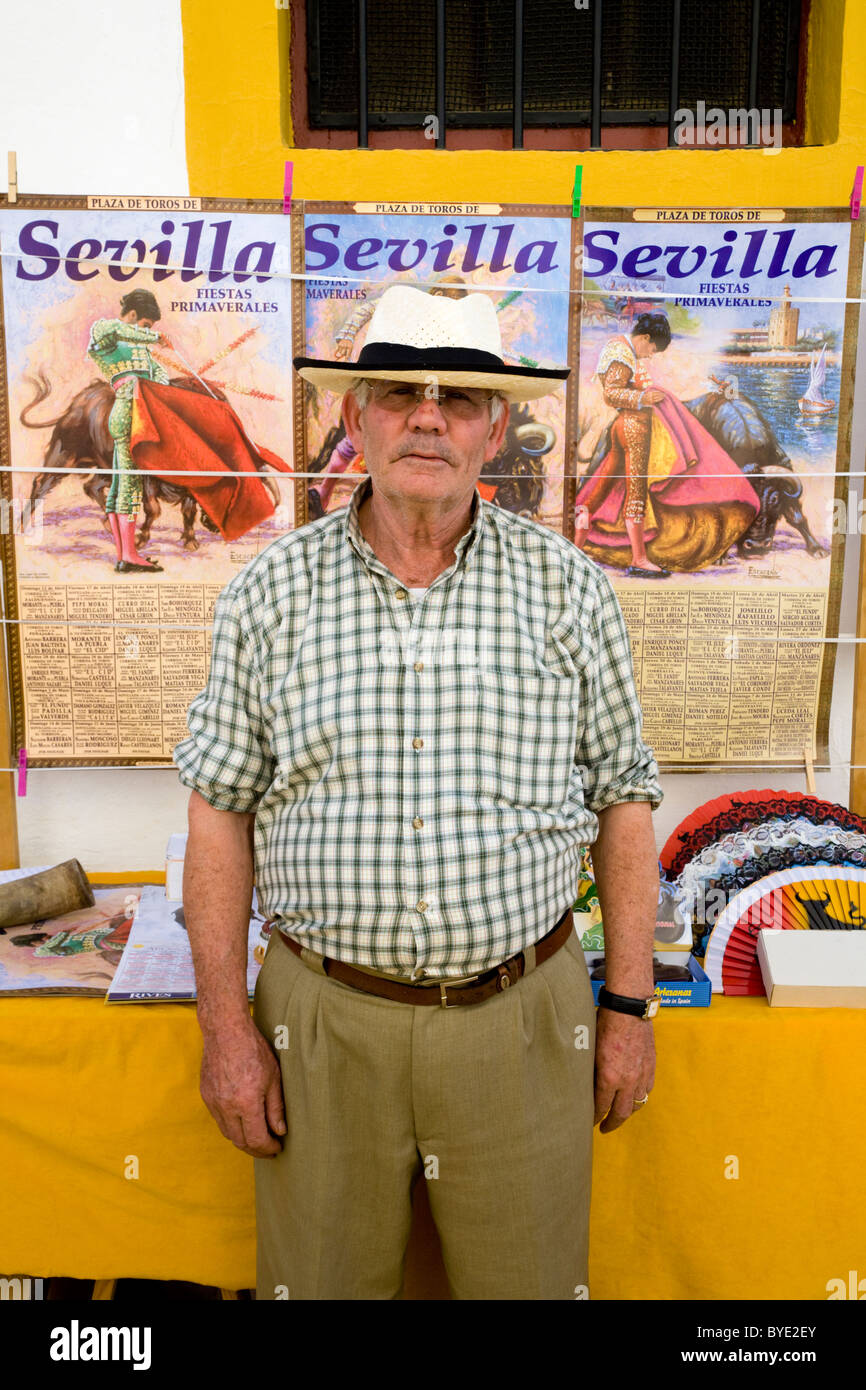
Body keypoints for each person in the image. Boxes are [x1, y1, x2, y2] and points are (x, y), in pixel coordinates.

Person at [174, 284, 664, 1301]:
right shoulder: (268, 593)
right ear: (354, 418)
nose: (427, 415)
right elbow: (217, 808)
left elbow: (624, 796)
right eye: (398, 391)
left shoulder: (569, 589)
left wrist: (625, 1004)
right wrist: (225, 1029)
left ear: (496, 427)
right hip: (318, 1026)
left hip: (521, 1022)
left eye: (460, 397)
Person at [575, 312, 760, 574]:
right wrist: (643, 399)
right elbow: (611, 393)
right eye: (651, 348)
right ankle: (639, 559)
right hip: (634, 426)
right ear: (646, 338)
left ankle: (575, 548)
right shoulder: (622, 351)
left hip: (623, 425)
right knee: (636, 494)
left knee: (601, 488)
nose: (650, 355)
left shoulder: (619, 347)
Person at [87, 289, 168, 573]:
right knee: (129, 486)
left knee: (121, 486)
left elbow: (159, 376)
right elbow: (119, 329)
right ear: (133, 315)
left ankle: (124, 555)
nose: (147, 331)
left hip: (136, 413)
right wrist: (154, 338)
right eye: (145, 323)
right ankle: (130, 554)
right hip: (128, 414)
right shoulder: (105, 330)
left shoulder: (135, 346)